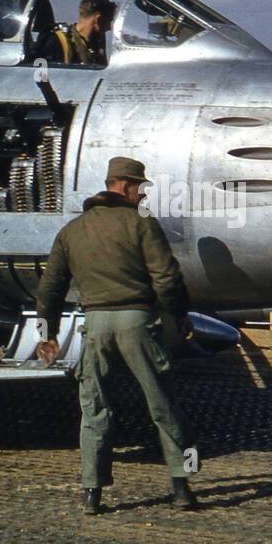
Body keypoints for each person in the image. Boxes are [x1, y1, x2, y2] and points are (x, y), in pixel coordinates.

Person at [36, 156, 197, 515]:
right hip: (137, 322)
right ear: (124, 186)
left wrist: (48, 332)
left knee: (94, 408)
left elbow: (50, 288)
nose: (143, 195)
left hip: (95, 326)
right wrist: (179, 314)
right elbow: (166, 277)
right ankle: (181, 487)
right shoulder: (141, 224)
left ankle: (92, 493)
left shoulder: (72, 231)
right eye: (140, 187)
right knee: (163, 404)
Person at [32, 0, 116, 67]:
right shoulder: (56, 41)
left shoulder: (95, 46)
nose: (109, 28)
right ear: (98, 19)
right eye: (108, 21)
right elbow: (41, 76)